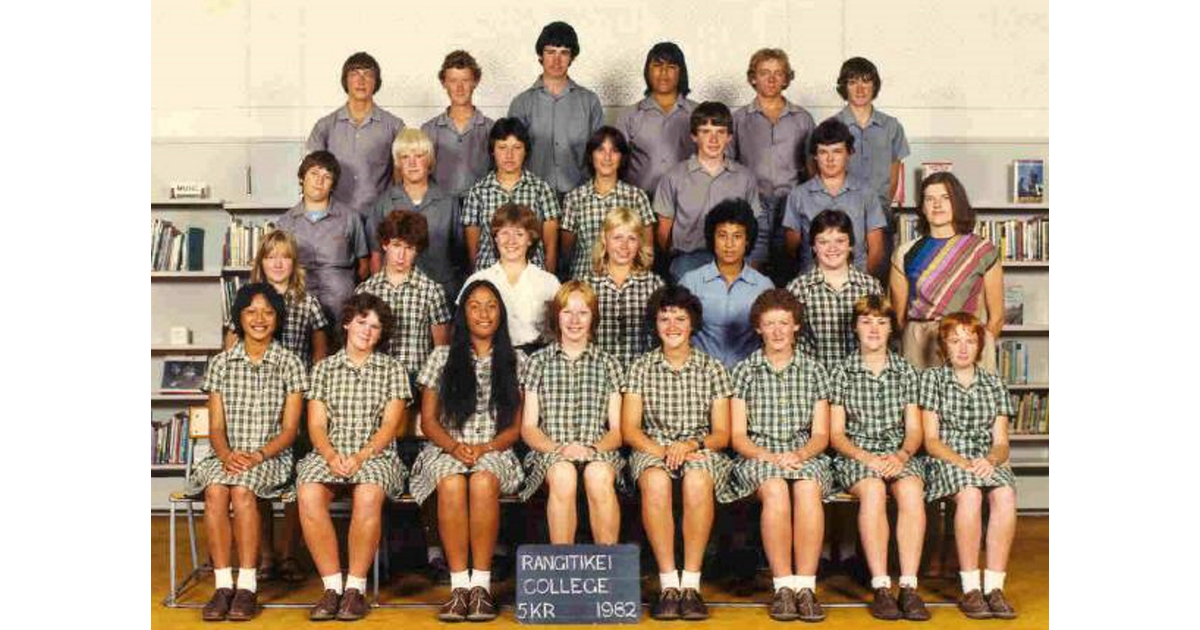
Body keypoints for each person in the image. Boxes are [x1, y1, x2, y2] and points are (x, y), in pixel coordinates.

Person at [412, 279, 526, 622]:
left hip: (496, 449)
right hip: (446, 448)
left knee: (482, 481)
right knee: (450, 482)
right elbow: (429, 421)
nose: (483, 313)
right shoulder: (441, 357)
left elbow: (516, 428)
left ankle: (481, 588)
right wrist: (454, 446)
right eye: (475, 306)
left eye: (491, 306)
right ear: (463, 313)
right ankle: (459, 587)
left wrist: (486, 447)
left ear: (501, 313)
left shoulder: (516, 359)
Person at [194, 284, 306, 621]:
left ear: (278, 318)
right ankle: (222, 586)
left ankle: (246, 586)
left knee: (243, 490)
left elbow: (290, 430)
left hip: (271, 456)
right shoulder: (221, 363)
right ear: (239, 318)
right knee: (215, 490)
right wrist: (226, 454)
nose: (259, 319)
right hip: (226, 454)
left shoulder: (290, 363)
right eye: (251, 312)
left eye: (268, 312)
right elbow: (216, 427)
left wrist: (257, 456)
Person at [221, 231, 328, 584]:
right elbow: (230, 351)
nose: (278, 263)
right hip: (257, 402)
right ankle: (264, 554)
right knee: (256, 475)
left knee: (296, 478)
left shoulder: (308, 303)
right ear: (261, 263)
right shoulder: (248, 299)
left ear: (294, 263)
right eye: (271, 257)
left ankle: (288, 553)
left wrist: (311, 398)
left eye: (285, 257)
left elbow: (320, 355)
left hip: (297, 399)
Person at [296, 294, 410, 621]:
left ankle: (354, 591)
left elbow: (390, 426)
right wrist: (331, 455)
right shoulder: (323, 369)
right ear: (347, 323)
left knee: (368, 494)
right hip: (331, 452)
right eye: (362, 322)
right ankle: (332, 588)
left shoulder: (392, 369)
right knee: (308, 492)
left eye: (375, 326)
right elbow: (316, 425)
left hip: (375, 454)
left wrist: (361, 456)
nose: (367, 331)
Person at [623, 285, 733, 621]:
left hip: (698, 449)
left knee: (698, 481)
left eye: (680, 319)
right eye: (664, 318)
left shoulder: (712, 368)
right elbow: (630, 429)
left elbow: (722, 433)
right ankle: (669, 583)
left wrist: (690, 446)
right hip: (653, 447)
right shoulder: (641, 367)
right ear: (655, 324)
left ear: (692, 324)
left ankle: (691, 585)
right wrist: (662, 451)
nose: (672, 326)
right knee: (655, 482)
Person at [724, 289, 832, 622]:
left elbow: (821, 434)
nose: (777, 331)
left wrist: (798, 454)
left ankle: (806, 587)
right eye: (769, 324)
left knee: (807, 489)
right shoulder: (744, 371)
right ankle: (783, 586)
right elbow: (738, 436)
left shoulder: (814, 371)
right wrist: (770, 457)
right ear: (758, 328)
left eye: (784, 323)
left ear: (796, 326)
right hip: (759, 456)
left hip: (804, 454)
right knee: (775, 490)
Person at [828, 295, 930, 621]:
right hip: (857, 455)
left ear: (891, 329)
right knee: (872, 490)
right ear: (855, 328)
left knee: (911, 490)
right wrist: (867, 458)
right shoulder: (841, 372)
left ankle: (909, 586)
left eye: (881, 322)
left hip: (897, 453)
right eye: (866, 322)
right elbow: (836, 434)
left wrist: (901, 455)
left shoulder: (906, 371)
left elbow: (914, 430)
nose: (874, 329)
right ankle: (882, 586)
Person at [919, 312, 1018, 620]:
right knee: (971, 494)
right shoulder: (932, 379)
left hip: (985, 458)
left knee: (1004, 494)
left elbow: (1001, 442)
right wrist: (964, 463)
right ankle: (971, 587)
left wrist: (990, 460)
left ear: (980, 346)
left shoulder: (994, 382)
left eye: (970, 341)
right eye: (955, 341)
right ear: (944, 346)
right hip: (947, 458)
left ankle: (994, 587)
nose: (963, 348)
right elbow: (931, 440)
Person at [519, 281, 625, 544]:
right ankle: (563, 561)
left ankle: (607, 561)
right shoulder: (537, 362)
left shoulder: (609, 364)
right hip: (551, 451)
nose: (574, 320)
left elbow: (616, 432)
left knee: (599, 475)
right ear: (557, 316)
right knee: (563, 475)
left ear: (593, 318)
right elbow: (529, 428)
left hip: (597, 449)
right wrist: (560, 449)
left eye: (583, 313)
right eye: (567, 312)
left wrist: (591, 449)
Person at [889, 172, 1003, 371]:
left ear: (957, 202)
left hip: (967, 343)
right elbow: (898, 319)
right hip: (919, 345)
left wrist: (975, 348)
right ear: (922, 207)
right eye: (929, 199)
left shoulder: (982, 250)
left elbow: (997, 317)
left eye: (945, 198)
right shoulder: (905, 253)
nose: (937, 205)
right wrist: (916, 341)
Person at [654, 101, 768, 281]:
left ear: (729, 137)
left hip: (734, 260)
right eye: (705, 132)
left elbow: (755, 226)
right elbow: (663, 232)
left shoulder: (745, 178)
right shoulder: (673, 177)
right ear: (694, 136)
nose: (713, 140)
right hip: (688, 259)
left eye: (720, 132)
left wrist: (751, 266)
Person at [731, 48, 816, 284]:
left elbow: (812, 167)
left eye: (778, 73)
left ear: (786, 78)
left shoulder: (802, 118)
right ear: (753, 77)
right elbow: (729, 164)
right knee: (751, 265)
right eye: (764, 72)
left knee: (787, 265)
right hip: (753, 203)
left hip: (791, 202)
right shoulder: (739, 119)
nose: (771, 79)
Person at [367, 128, 465, 304]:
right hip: (396, 296)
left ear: (429, 160)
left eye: (419, 156)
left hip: (442, 293)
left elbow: (459, 256)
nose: (412, 163)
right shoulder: (383, 204)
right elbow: (376, 256)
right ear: (398, 162)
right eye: (405, 157)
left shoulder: (449, 203)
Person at [508, 21, 604, 197]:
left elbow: (601, 153)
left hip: (581, 196)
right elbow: (511, 155)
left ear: (572, 57)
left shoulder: (590, 102)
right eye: (550, 52)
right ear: (540, 55)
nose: (557, 60)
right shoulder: (521, 103)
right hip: (533, 196)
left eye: (564, 53)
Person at [307, 52, 405, 221]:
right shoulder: (324, 127)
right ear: (345, 81)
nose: (361, 81)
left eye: (368, 74)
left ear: (376, 82)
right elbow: (311, 178)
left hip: (380, 220)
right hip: (335, 220)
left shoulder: (395, 127)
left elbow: (402, 181)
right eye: (354, 74)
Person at [355, 210, 452, 384]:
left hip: (417, 380)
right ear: (385, 245)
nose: (401, 255)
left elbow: (441, 351)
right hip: (376, 380)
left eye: (409, 248)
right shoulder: (366, 290)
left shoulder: (432, 291)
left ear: (417, 250)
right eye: (396, 245)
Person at [782, 119, 887, 276]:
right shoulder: (798, 195)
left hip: (855, 280)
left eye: (837, 151)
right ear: (815, 156)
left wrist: (861, 281)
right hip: (811, 281)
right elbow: (791, 249)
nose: (830, 159)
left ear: (849, 153)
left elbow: (876, 249)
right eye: (823, 152)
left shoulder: (867, 193)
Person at [274, 150, 370, 321]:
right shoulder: (285, 223)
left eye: (327, 176)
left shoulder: (350, 218)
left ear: (333, 184)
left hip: (342, 306)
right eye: (314, 174)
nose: (319, 181)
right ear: (302, 178)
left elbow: (364, 265)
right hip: (299, 306)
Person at [678, 199, 773, 368]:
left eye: (737, 236)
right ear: (712, 239)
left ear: (747, 241)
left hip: (748, 375)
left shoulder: (763, 286)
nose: (729, 244)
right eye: (722, 235)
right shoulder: (691, 282)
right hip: (701, 374)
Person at [786, 210, 884, 369]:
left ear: (850, 245)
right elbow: (790, 343)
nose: (832, 248)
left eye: (840, 240)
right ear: (813, 247)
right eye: (823, 242)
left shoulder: (870, 287)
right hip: (813, 378)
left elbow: (881, 340)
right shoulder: (798, 289)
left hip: (859, 377)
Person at [462, 118, 561, 272]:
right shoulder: (477, 192)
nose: (509, 155)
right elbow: (473, 249)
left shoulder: (542, 189)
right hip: (490, 274)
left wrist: (548, 279)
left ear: (525, 151)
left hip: (532, 274)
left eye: (517, 147)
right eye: (502, 147)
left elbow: (550, 247)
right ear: (492, 151)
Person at [461, 204, 561, 354]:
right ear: (495, 238)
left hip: (537, 358)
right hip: (491, 359)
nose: (511, 241)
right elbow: (461, 331)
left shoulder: (549, 283)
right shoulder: (477, 281)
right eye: (504, 233)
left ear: (530, 239)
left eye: (519, 234)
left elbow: (558, 332)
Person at [561, 126, 654, 279]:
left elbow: (647, 249)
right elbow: (567, 251)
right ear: (591, 155)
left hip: (626, 281)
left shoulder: (637, 197)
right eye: (600, 150)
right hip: (585, 281)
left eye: (614, 151)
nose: (607, 157)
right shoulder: (574, 199)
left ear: (622, 157)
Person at [585, 207, 666, 369]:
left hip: (642, 374)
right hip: (598, 372)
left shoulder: (654, 285)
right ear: (604, 239)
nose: (624, 246)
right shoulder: (587, 285)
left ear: (640, 242)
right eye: (617, 238)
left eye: (632, 239)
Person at [832, 57, 910, 215]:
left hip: (880, 212)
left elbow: (893, 178)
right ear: (844, 87)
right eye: (852, 82)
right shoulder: (831, 126)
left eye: (866, 82)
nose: (860, 90)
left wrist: (879, 211)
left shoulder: (891, 126)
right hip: (841, 214)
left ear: (874, 86)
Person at [619, 42, 697, 198]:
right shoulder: (629, 115)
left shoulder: (698, 114)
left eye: (671, 67)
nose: (663, 72)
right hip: (639, 202)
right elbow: (616, 162)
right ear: (647, 71)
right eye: (657, 65)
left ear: (681, 72)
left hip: (688, 201)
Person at [422, 50, 495, 202]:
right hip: (440, 206)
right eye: (453, 81)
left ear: (475, 82)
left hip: (481, 206)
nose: (459, 87)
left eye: (465, 80)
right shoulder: (428, 130)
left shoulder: (491, 129)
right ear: (444, 83)